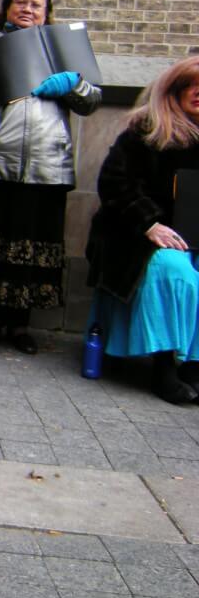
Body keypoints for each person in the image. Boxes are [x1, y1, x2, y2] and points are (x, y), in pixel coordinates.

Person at [0, 0, 101, 353]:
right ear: (7, 6)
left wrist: (73, 84)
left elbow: (91, 102)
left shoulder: (63, 50)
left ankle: (21, 327)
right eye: (20, 2)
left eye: (35, 4)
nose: (27, 9)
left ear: (47, 12)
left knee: (33, 245)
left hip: (47, 164)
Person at [87, 56, 199, 404]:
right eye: (192, 86)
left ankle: (193, 366)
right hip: (136, 235)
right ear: (175, 91)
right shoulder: (147, 131)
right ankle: (164, 368)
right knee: (175, 271)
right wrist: (150, 224)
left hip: (192, 236)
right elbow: (115, 183)